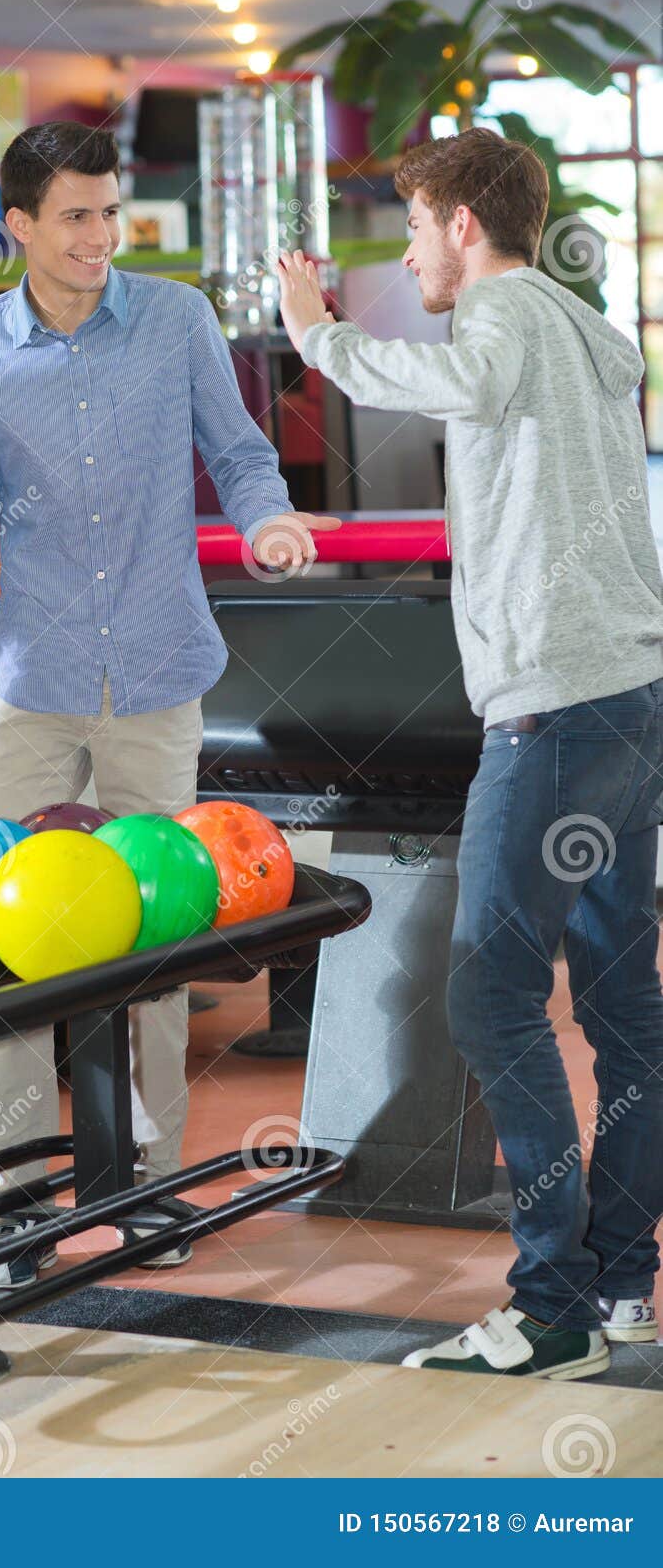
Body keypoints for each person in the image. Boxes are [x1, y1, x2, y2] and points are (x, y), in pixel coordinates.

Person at [0, 120, 339, 1283]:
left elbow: (238, 454)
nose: (97, 236)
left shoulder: (173, 318)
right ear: (19, 224)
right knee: (12, 929)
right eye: (73, 215)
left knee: (163, 929)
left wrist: (267, 517)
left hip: (158, 676)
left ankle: (149, 1190)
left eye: (108, 213)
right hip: (32, 683)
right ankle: (24, 1196)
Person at [277, 126, 663, 1381]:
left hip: (553, 713)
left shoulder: (498, 319)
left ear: (462, 225)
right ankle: (620, 1287)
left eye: (412, 227)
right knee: (623, 1010)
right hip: (634, 701)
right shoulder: (591, 331)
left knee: (492, 997)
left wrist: (316, 333)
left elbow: (459, 382)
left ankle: (549, 1303)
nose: (409, 252)